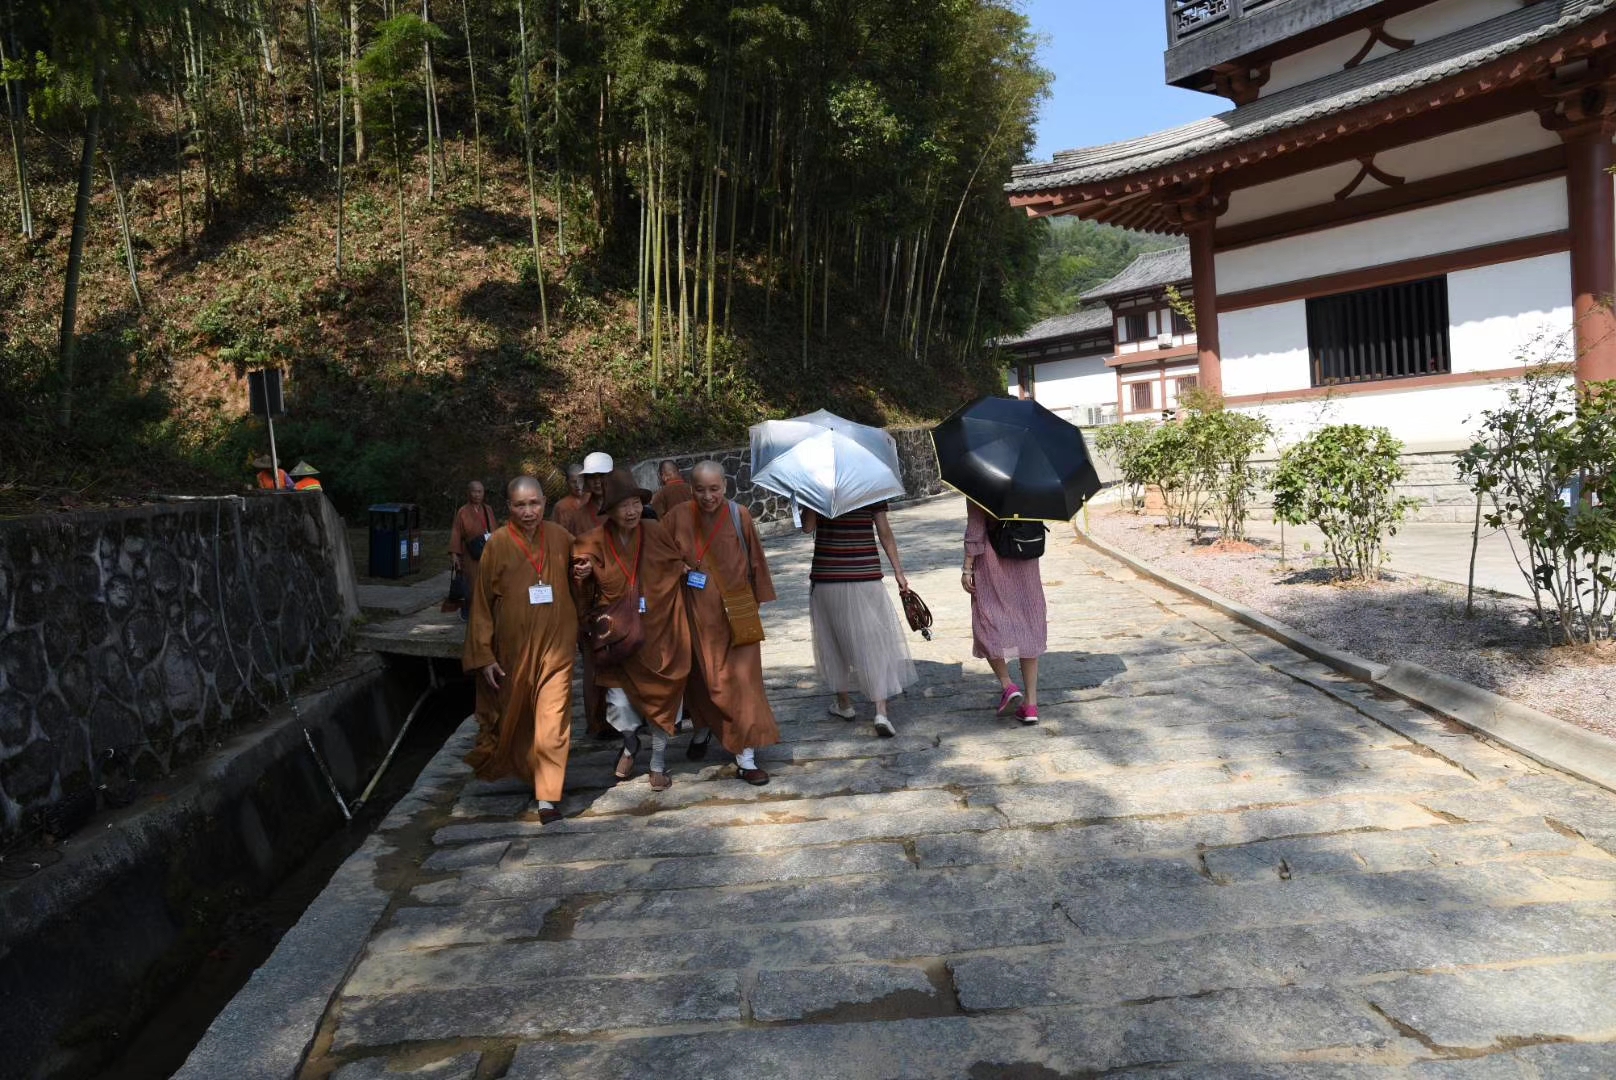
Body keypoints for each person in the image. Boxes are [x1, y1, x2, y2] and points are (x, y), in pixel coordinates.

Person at [462, 476, 578, 825]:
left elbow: (587, 564)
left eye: (534, 504)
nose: (529, 512)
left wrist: (586, 568)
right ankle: (534, 772)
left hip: (557, 645)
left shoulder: (560, 537)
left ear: (545, 501)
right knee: (521, 717)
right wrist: (484, 655)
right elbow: (481, 604)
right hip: (513, 651)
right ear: (508, 507)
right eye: (520, 505)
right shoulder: (496, 544)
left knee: (553, 717)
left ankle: (547, 795)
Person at [572, 467, 691, 791]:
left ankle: (657, 763)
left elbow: (675, 564)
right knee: (619, 703)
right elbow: (581, 590)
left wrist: (685, 570)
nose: (631, 511)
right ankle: (629, 743)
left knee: (663, 698)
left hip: (658, 633)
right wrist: (582, 577)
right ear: (608, 510)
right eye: (623, 506)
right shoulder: (592, 541)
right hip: (619, 639)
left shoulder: (654, 531)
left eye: (635, 504)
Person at [663, 461, 777, 784]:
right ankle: (704, 728)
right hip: (697, 611)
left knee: (743, 681)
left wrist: (758, 601)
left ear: (725, 487)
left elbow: (756, 558)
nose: (708, 496)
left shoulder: (739, 515)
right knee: (706, 678)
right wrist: (678, 568)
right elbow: (659, 552)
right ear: (690, 488)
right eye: (700, 489)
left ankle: (746, 754)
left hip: (739, 610)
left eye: (714, 489)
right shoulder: (678, 516)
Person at [801, 499, 917, 737]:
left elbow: (807, 528)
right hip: (866, 575)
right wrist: (899, 572)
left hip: (828, 576)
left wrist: (810, 497)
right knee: (875, 644)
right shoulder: (870, 484)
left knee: (832, 642)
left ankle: (844, 704)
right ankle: (880, 711)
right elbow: (884, 532)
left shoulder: (817, 486)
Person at [962, 503, 1046, 725]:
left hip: (992, 557)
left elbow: (976, 527)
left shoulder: (980, 479)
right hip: (1024, 552)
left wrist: (968, 566)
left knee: (986, 620)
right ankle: (1031, 704)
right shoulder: (1031, 478)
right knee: (1028, 621)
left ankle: (1008, 684)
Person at [559, 452, 613, 738]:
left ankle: (626, 718)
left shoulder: (625, 508)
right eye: (591, 477)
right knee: (593, 664)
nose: (596, 482)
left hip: (621, 597)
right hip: (588, 600)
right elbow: (567, 560)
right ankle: (597, 721)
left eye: (601, 476)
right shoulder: (577, 516)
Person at [449, 480, 498, 624]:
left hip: (487, 550)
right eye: (474, 491)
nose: (477, 495)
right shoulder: (463, 511)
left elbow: (494, 530)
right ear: (468, 493)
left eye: (480, 492)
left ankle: (486, 612)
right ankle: (467, 609)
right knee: (471, 583)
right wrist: (454, 555)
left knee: (487, 582)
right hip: (469, 553)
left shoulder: (487, 509)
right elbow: (456, 533)